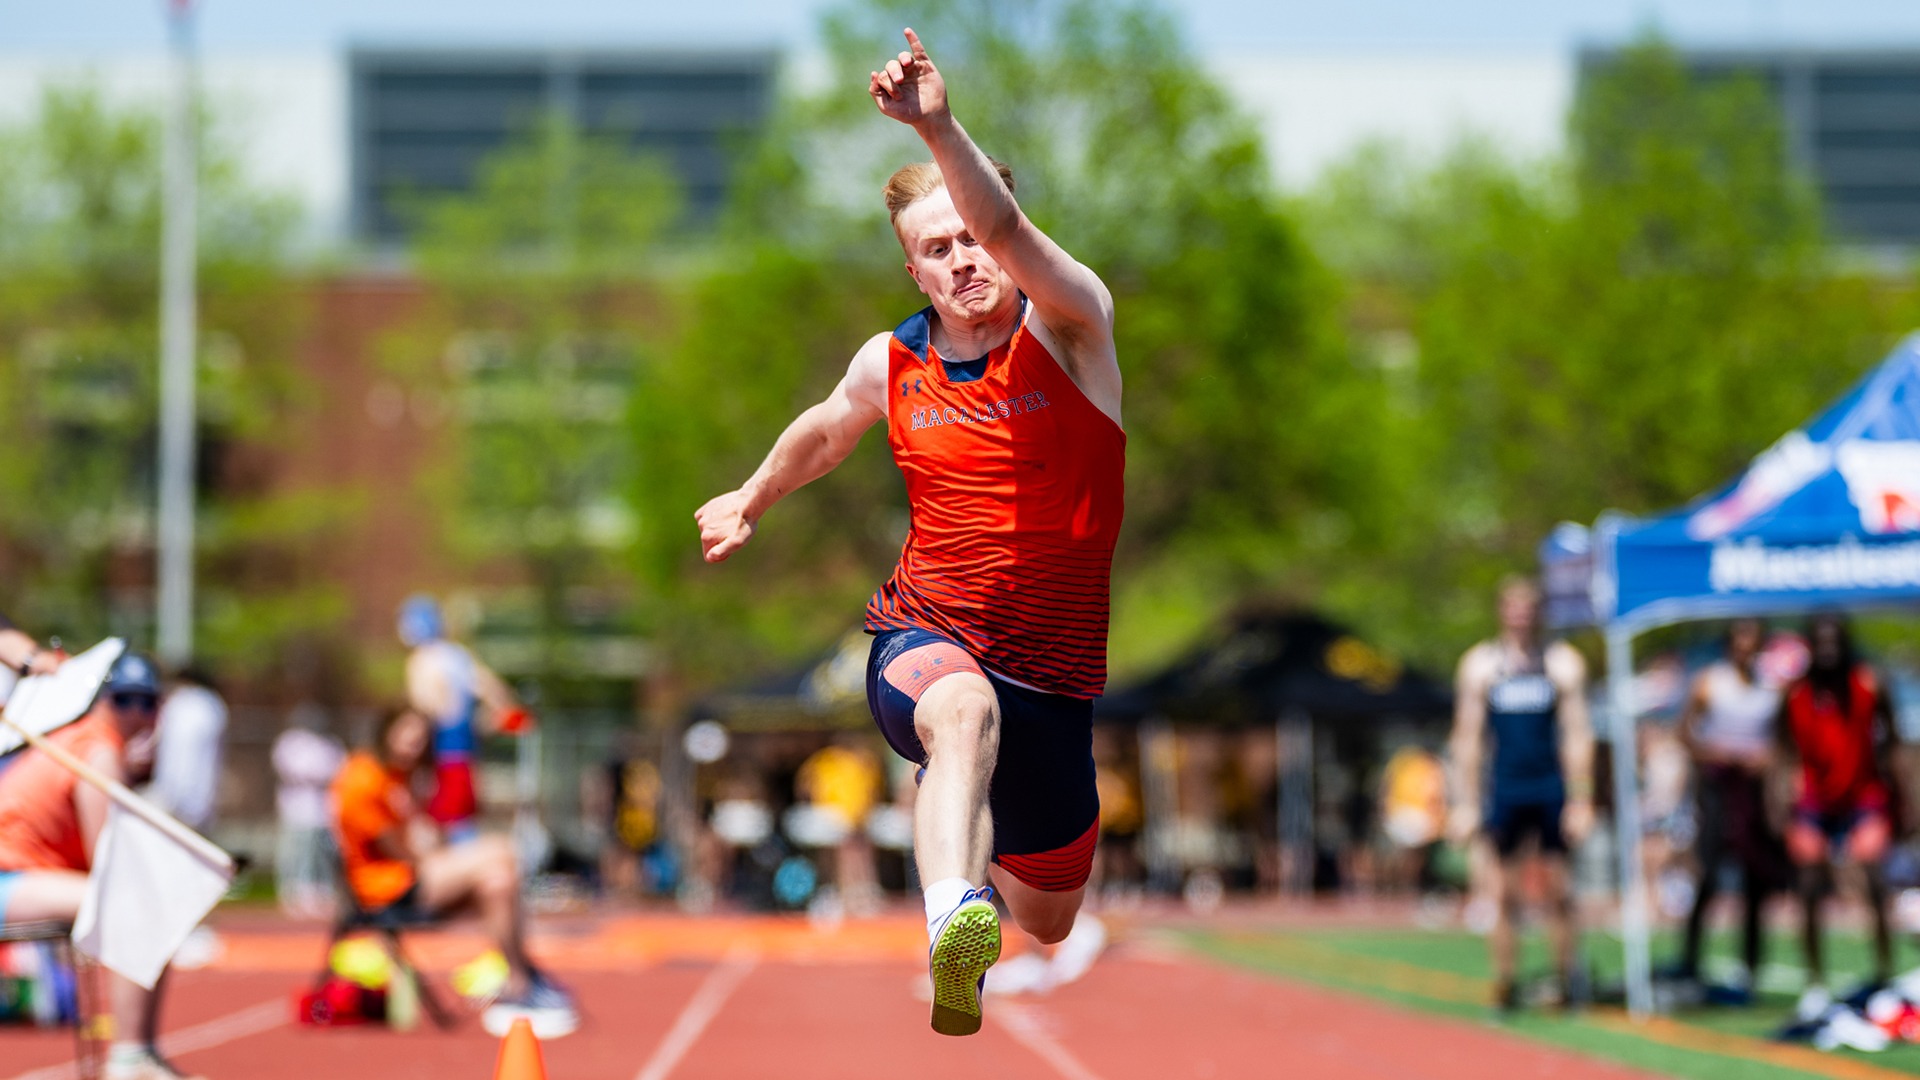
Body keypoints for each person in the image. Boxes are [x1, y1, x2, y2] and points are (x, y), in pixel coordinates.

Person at [695, 27, 1124, 1036]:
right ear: (913, 272)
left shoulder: (1072, 326)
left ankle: (978, 865)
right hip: (926, 633)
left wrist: (936, 128)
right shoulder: (892, 363)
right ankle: (951, 925)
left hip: (1056, 674)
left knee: (1053, 918)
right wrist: (753, 494)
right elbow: (827, 431)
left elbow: (1010, 225)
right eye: (937, 249)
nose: (964, 258)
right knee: (961, 713)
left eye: (972, 237)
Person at [0, 652, 203, 1080]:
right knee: (136, 904)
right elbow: (108, 858)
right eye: (123, 700)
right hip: (7, 878)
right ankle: (130, 1057)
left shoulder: (89, 744)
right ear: (102, 700)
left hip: (26, 877)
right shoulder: (97, 751)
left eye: (146, 702)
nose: (136, 713)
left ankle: (139, 1051)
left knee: (143, 903)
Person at [330, 705, 576, 1038]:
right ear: (386, 731)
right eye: (406, 735)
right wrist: (430, 846)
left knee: (499, 882)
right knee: (501, 851)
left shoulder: (400, 777)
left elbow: (425, 839)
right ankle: (525, 979)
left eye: (420, 740)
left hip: (414, 877)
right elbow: (400, 849)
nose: (413, 746)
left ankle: (521, 982)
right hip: (387, 889)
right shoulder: (363, 777)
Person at [1449, 576, 1595, 1014]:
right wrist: (1466, 802)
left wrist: (1581, 798)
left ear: (1540, 612)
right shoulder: (1480, 665)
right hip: (1506, 789)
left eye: (1528, 608)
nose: (1521, 617)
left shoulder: (1562, 664)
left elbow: (1577, 734)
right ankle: (1506, 982)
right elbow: (1468, 738)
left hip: (1550, 787)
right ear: (1501, 612)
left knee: (1559, 890)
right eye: (1513, 608)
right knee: (1502, 892)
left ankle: (1566, 980)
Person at [1780, 614, 1899, 1017]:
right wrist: (1785, 786)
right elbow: (1781, 745)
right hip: (1815, 801)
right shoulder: (1796, 694)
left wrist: (1899, 794)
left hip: (1863, 796)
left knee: (1872, 878)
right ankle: (1815, 981)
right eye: (1821, 643)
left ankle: (1885, 974)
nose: (1829, 651)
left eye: (1835, 642)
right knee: (1810, 884)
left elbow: (1893, 739)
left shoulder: (1868, 685)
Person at [1675, 618, 1783, 999]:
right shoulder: (1711, 682)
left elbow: (1781, 741)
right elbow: (1685, 733)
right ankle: (1689, 961)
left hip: (1753, 793)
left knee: (1756, 880)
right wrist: (1716, 752)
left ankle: (1750, 968)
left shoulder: (1770, 687)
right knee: (1709, 874)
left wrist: (1767, 759)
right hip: (1719, 788)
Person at [397, 595, 527, 842]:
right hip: (465, 753)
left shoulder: (422, 661)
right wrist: (492, 722)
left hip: (438, 756)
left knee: (439, 828)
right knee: (461, 823)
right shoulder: (458, 656)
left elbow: (425, 710)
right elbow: (499, 696)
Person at [272, 704, 346, 918]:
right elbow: (295, 770)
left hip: (323, 810)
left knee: (322, 854)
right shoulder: (292, 741)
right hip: (297, 809)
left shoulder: (329, 744)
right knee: (296, 853)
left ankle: (319, 893)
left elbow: (337, 771)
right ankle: (294, 893)